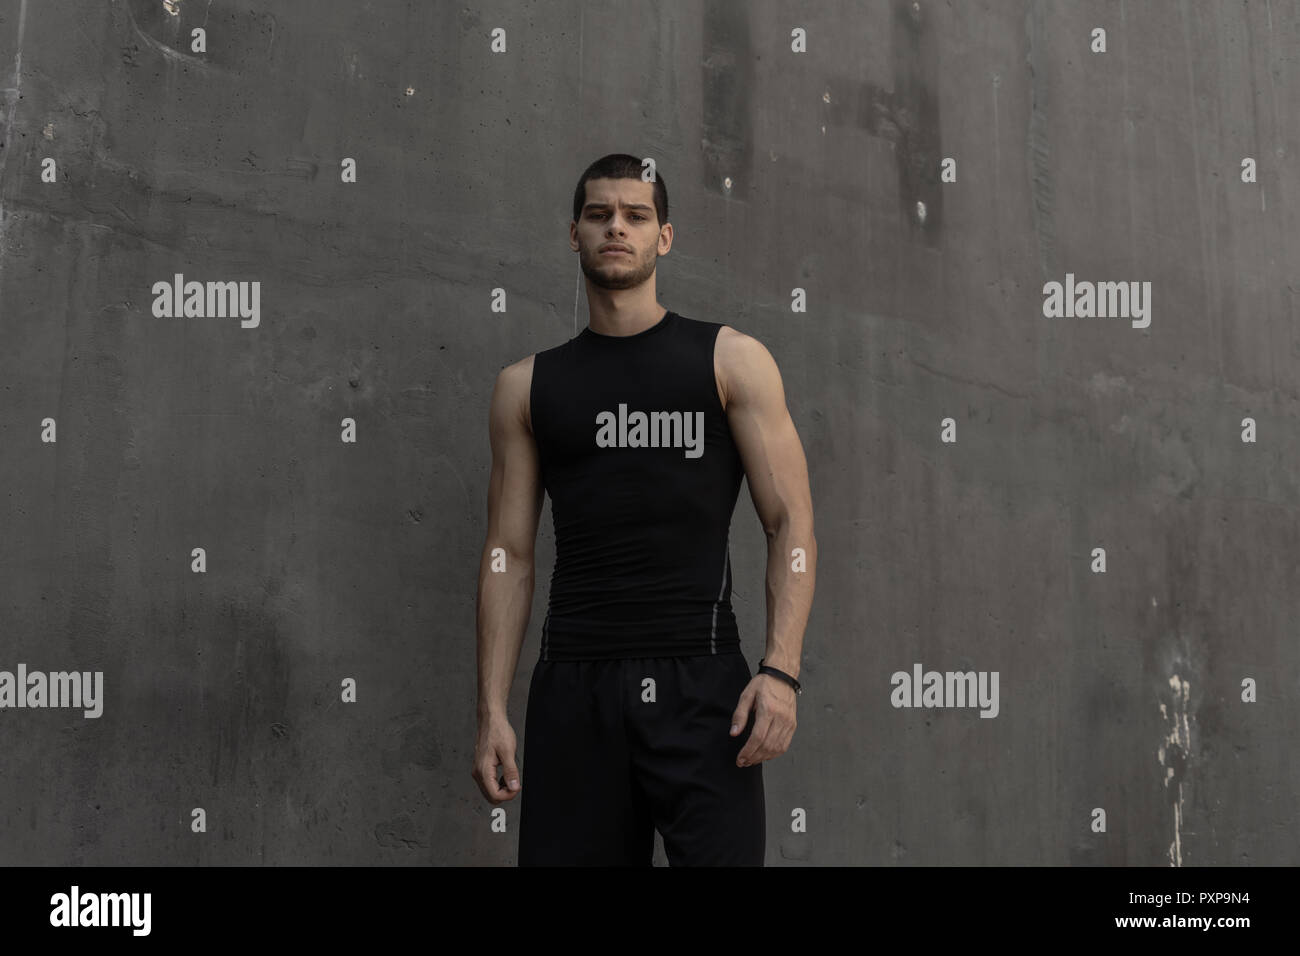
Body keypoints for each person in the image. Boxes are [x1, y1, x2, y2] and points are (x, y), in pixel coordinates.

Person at [471, 153, 816, 866]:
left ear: (665, 237)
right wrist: (493, 709)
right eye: (599, 215)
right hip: (574, 687)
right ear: (574, 234)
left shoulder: (731, 361)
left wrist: (781, 674)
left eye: (636, 215)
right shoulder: (526, 387)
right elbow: (510, 554)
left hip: (703, 685)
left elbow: (791, 524)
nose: (616, 228)